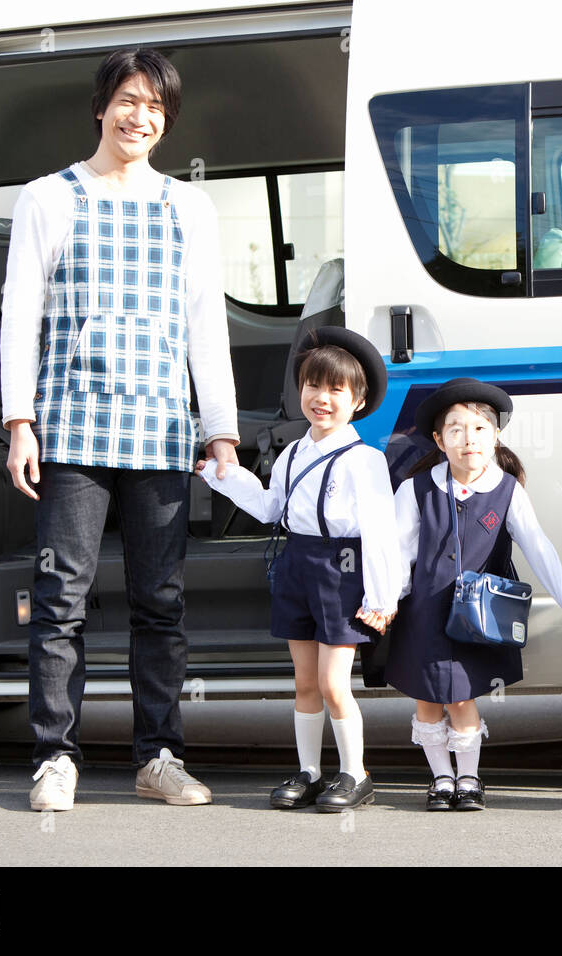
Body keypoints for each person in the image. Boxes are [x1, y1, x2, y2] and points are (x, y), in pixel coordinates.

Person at [1, 49, 240, 811]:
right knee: (61, 597)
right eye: (129, 101)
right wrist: (19, 422)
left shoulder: (188, 207)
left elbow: (206, 324)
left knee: (160, 602)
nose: (141, 117)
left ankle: (158, 757)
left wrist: (221, 429)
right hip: (71, 424)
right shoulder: (48, 197)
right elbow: (19, 319)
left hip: (162, 426)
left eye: (156, 108)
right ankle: (55, 756)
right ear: (101, 106)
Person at [199, 327, 398, 811]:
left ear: (358, 400)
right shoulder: (292, 453)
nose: (321, 398)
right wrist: (222, 476)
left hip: (341, 572)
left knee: (334, 684)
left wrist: (382, 598)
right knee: (305, 682)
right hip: (297, 566)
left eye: (335, 390)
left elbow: (380, 532)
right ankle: (310, 772)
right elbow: (271, 508)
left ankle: (355, 774)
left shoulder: (364, 459)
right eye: (313, 386)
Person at [387, 379, 562, 811]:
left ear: (495, 436)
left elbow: (537, 545)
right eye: (454, 430)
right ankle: (440, 779)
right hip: (423, 610)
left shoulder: (507, 490)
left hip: (476, 615)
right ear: (439, 441)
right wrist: (385, 602)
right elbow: (398, 552)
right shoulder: (416, 489)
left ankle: (469, 779)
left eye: (478, 429)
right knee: (426, 696)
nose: (467, 439)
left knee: (461, 695)